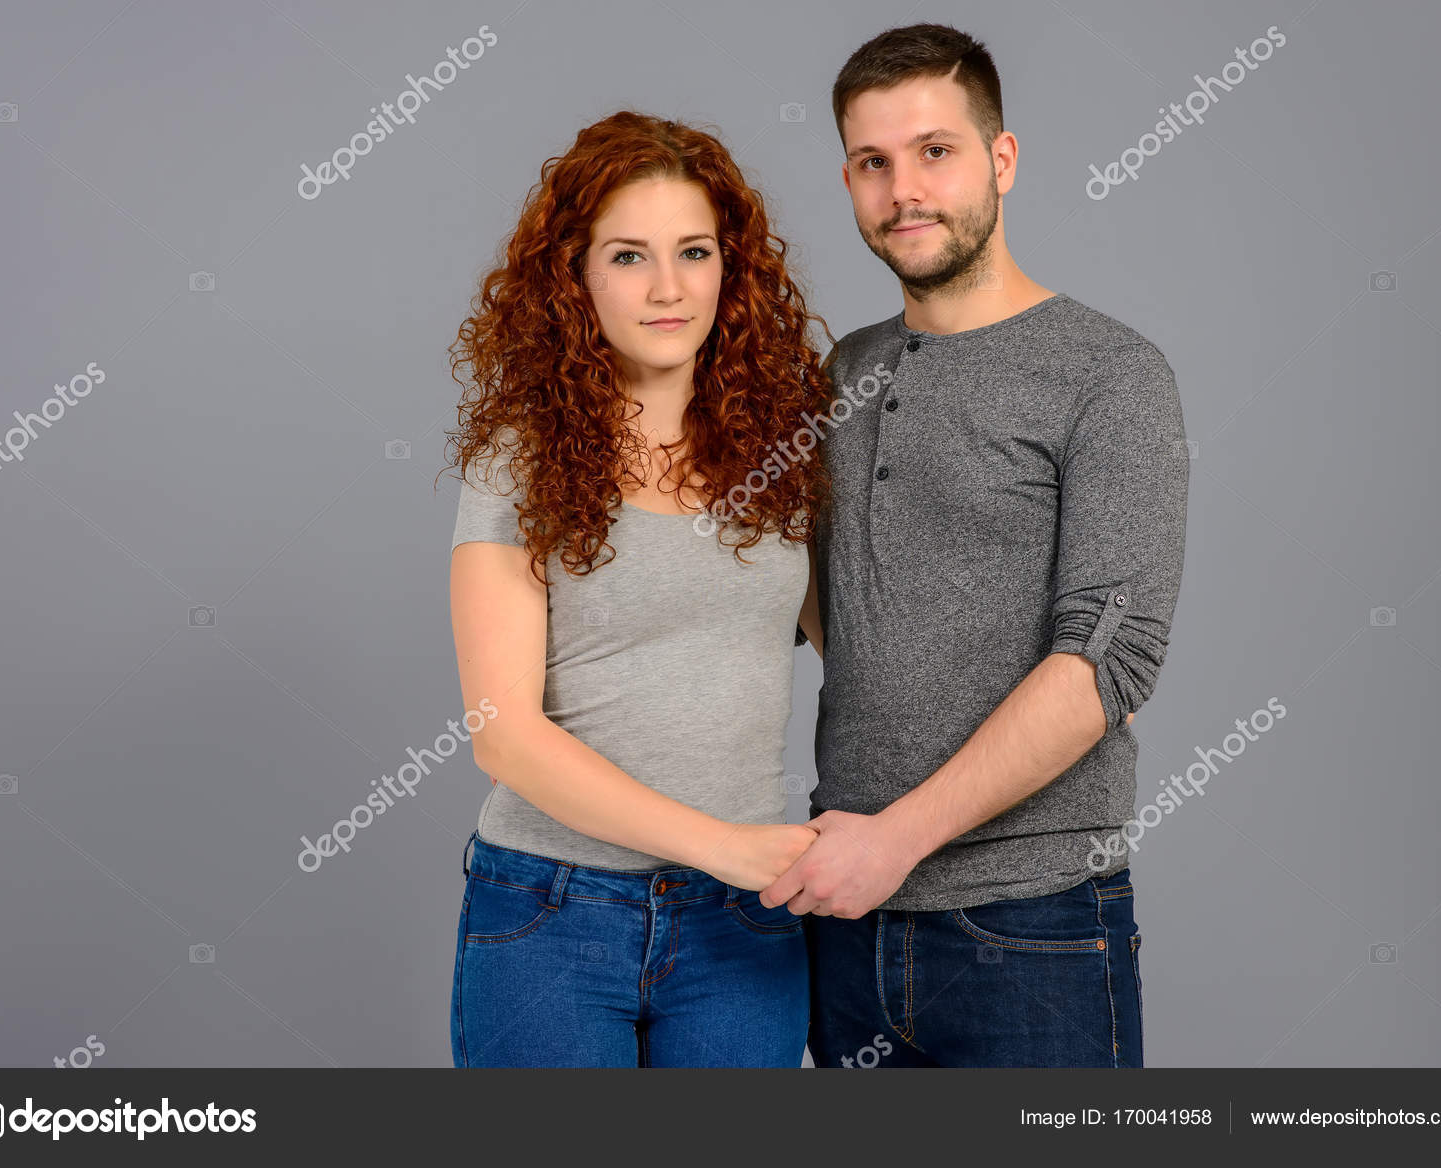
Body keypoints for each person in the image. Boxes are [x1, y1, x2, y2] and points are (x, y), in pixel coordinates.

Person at [767, 23, 1189, 1068]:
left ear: (1001, 159)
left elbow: (1107, 665)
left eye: (935, 151)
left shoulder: (1109, 373)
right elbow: (838, 613)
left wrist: (894, 838)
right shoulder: (840, 375)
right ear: (849, 179)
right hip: (844, 919)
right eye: (874, 162)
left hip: (1031, 925)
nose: (904, 189)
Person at [443, 110, 834, 1068]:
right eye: (628, 256)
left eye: (693, 251)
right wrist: (723, 844)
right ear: (574, 276)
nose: (668, 288)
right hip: (553, 913)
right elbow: (503, 732)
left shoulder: (786, 453)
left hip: (745, 922)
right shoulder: (519, 461)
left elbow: (858, 651)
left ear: (729, 268)